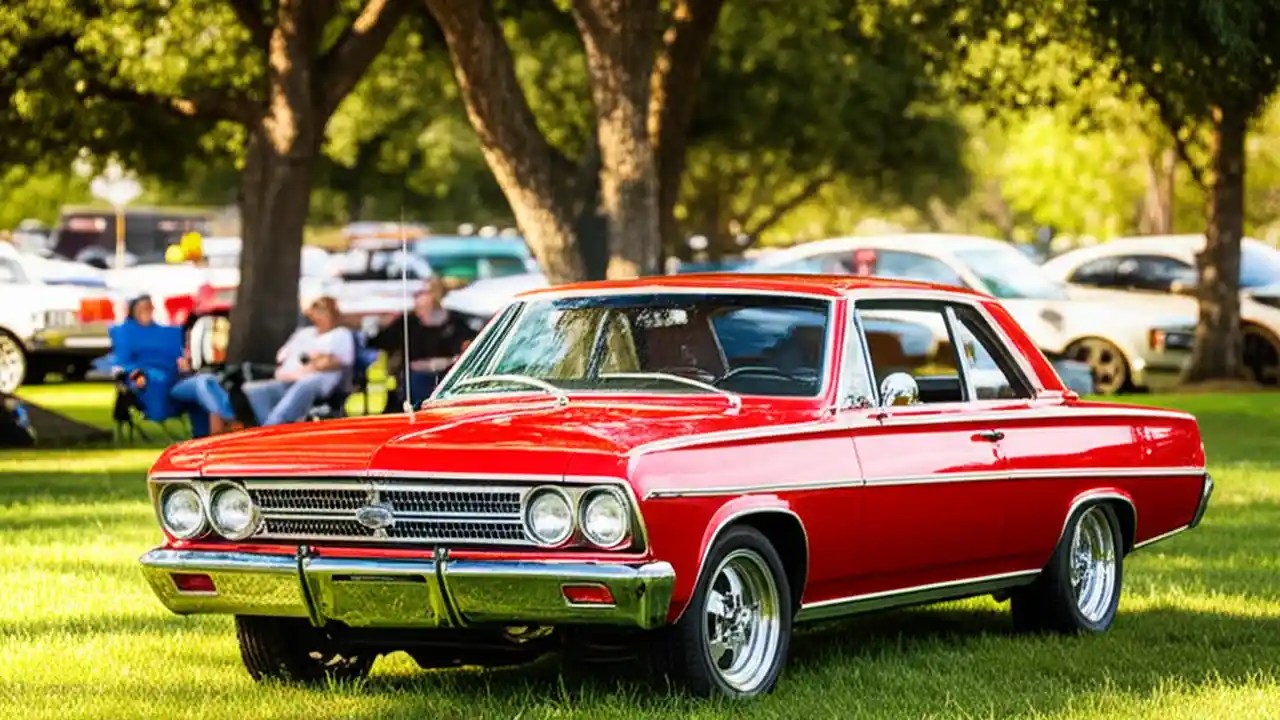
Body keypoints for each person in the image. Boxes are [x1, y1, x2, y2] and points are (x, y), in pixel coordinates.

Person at [113, 295, 240, 437]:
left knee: (206, 381)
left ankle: (218, 430)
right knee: (203, 385)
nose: (147, 311)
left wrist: (184, 363)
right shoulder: (125, 332)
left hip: (177, 380)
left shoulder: (167, 332)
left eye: (149, 307)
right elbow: (122, 362)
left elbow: (180, 357)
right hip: (153, 385)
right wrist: (136, 374)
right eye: (142, 308)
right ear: (133, 310)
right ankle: (230, 423)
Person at [243, 296, 355, 426]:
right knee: (253, 389)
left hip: (318, 380)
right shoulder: (304, 333)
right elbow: (283, 355)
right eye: (317, 312)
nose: (320, 317)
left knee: (306, 383)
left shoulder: (341, 334)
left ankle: (274, 424)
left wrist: (313, 363)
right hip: (290, 377)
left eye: (324, 313)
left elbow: (338, 362)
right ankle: (268, 426)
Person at [370, 278, 474, 412]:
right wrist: (384, 323)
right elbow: (378, 342)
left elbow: (466, 347)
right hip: (414, 380)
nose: (416, 298)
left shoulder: (455, 323)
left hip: (446, 376)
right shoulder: (407, 323)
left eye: (422, 293)